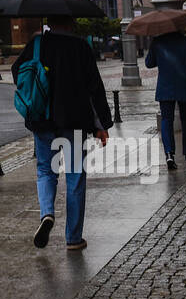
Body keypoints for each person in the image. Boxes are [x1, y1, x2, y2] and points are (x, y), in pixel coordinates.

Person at [13, 17, 112, 251]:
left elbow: (17, 71)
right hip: (74, 122)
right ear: (72, 22)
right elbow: (94, 88)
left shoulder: (37, 44)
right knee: (75, 175)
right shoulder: (80, 47)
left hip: (42, 120)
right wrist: (101, 124)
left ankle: (47, 213)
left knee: (46, 170)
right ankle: (73, 238)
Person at [145, 27, 186, 170]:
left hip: (165, 87)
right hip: (184, 85)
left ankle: (169, 154)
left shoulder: (158, 42)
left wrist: (155, 49)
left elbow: (149, 63)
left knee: (166, 120)